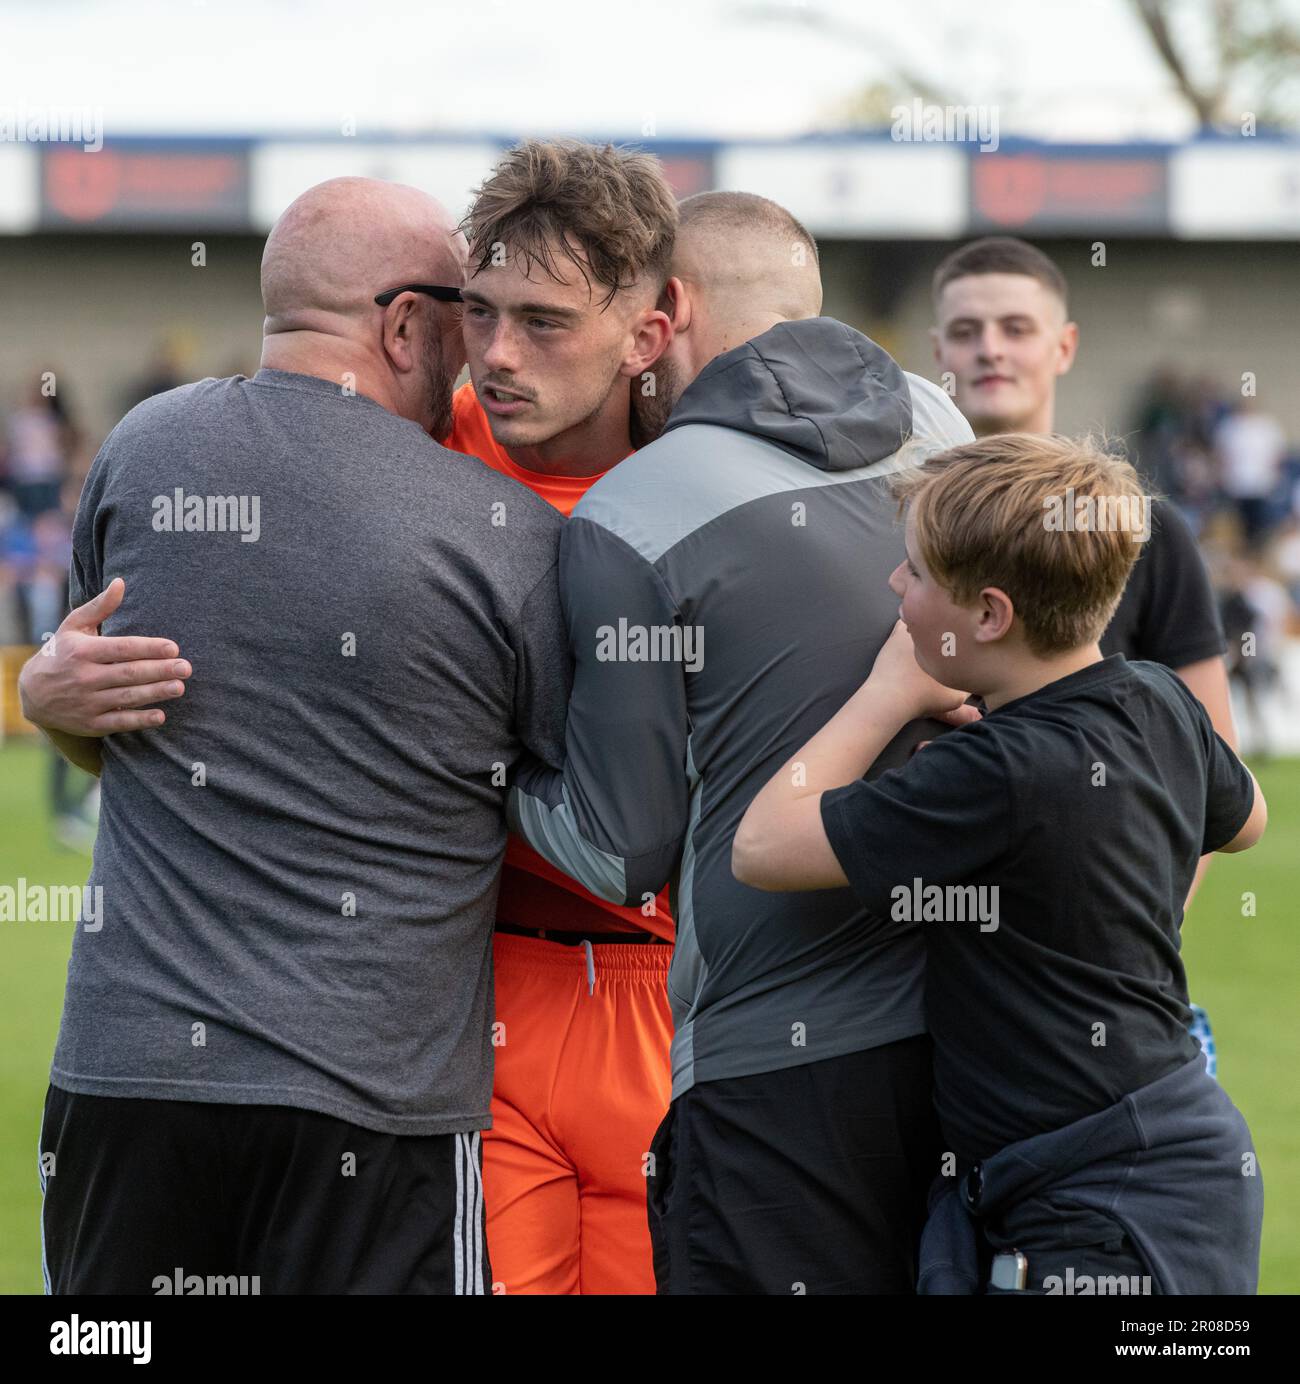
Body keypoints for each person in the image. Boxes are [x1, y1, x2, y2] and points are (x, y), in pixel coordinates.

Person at [18, 176, 573, 1294]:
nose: (477, 349)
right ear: (403, 321)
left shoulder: (140, 449)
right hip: (374, 1107)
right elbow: (596, 802)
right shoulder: (503, 532)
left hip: (126, 1085)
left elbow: (115, 722)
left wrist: (41, 701)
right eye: (463, 311)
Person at [507, 191, 975, 1293]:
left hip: (770, 1058)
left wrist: (483, 772)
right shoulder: (946, 432)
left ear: (665, 310)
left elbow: (621, 851)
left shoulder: (631, 510)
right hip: (974, 1024)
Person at [733, 434, 1266, 1294]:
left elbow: (760, 848)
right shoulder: (1154, 697)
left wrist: (887, 697)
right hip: (1163, 1154)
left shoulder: (997, 773)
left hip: (1104, 1196)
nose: (894, 589)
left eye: (914, 572)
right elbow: (1247, 822)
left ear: (988, 616)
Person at [444, 139, 679, 1295]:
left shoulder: (722, 484)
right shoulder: (411, 449)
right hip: (463, 992)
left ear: (647, 330)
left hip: (682, 995)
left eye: (542, 321)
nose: (495, 354)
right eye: (477, 312)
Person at [930, 234, 1237, 1066]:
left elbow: (1209, 770)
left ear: (1064, 345)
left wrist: (1130, 942)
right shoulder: (890, 521)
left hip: (1091, 982)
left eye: (1016, 326)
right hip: (907, 967)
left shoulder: (1144, 528)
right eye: (966, 330)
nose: (990, 346)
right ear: (936, 352)